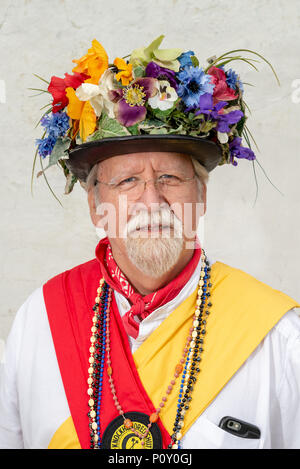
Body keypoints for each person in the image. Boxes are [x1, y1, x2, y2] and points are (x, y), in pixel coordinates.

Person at [0, 37, 299, 450]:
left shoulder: (278, 335)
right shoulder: (40, 320)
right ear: (95, 204)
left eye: (170, 179)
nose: (152, 202)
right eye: (127, 182)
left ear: (201, 196)